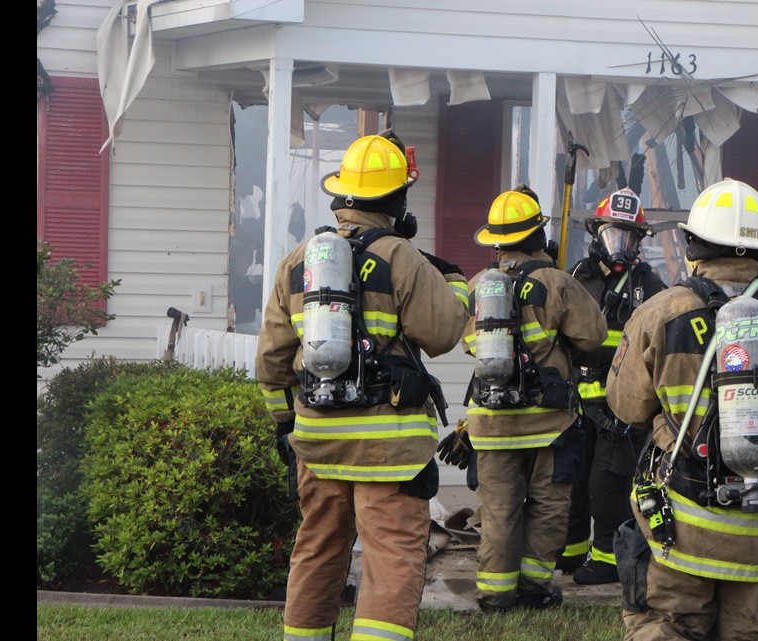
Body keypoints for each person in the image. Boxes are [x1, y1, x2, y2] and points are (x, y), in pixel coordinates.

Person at [255, 130, 470, 641]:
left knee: (318, 547)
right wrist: (454, 283)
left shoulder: (299, 261)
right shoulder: (402, 257)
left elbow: (271, 361)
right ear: (396, 201)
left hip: (318, 441)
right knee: (392, 555)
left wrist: (288, 427)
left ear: (341, 196)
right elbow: (441, 334)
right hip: (389, 448)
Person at [606, 178, 758, 641]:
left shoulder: (661, 313)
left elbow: (626, 405)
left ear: (693, 243)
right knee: (748, 632)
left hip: (683, 523)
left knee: (666, 626)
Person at [455, 185, 608, 612]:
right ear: (537, 235)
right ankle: (535, 589)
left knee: (499, 507)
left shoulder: (478, 288)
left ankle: (496, 594)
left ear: (497, 242)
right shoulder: (556, 282)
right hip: (548, 421)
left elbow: (468, 345)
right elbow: (594, 335)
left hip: (491, 419)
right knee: (548, 504)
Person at [557, 187, 668, 584]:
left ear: (638, 241)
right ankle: (568, 551)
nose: (619, 246)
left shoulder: (650, 286)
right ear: (597, 235)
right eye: (611, 235)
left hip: (621, 406)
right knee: (572, 478)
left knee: (607, 484)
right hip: (576, 403)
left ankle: (606, 558)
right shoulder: (576, 278)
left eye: (627, 236)